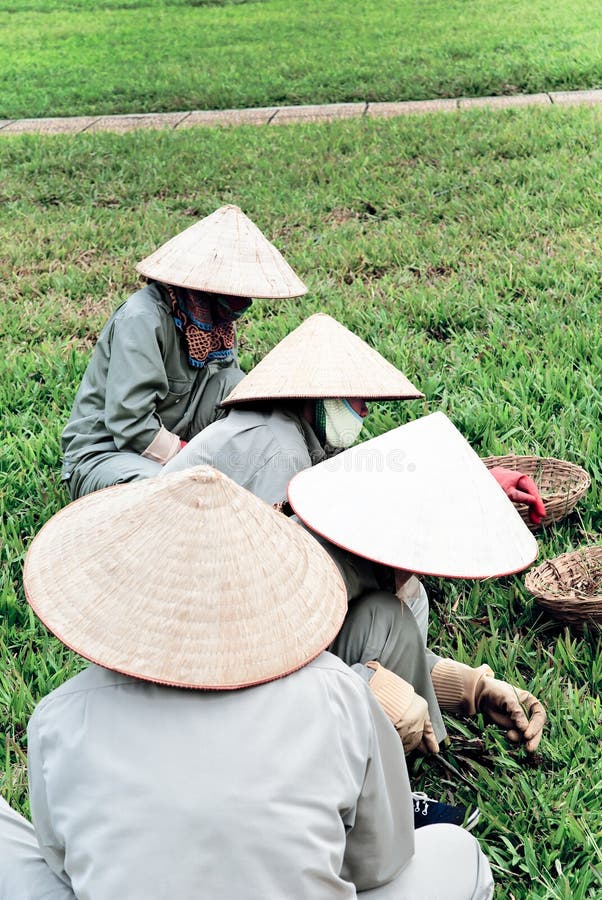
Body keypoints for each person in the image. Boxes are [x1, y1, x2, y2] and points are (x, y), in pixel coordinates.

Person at [1, 466, 494, 899]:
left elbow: (62, 863)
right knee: (460, 854)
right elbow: (378, 863)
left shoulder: (60, 714)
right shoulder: (337, 691)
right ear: (265, 587)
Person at [160, 313, 546, 759]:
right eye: (358, 399)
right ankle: (382, 769)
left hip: (251, 630)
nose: (364, 411)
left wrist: (473, 689)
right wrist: (367, 688)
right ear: (318, 395)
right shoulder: (278, 451)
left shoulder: (307, 444)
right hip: (207, 656)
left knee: (391, 613)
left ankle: (425, 758)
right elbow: (262, 630)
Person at [61, 204, 307, 500]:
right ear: (207, 285)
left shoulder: (215, 323)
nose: (244, 302)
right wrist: (196, 463)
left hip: (179, 437)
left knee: (237, 387)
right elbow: (130, 426)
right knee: (176, 496)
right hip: (108, 454)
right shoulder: (142, 319)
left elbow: (224, 392)